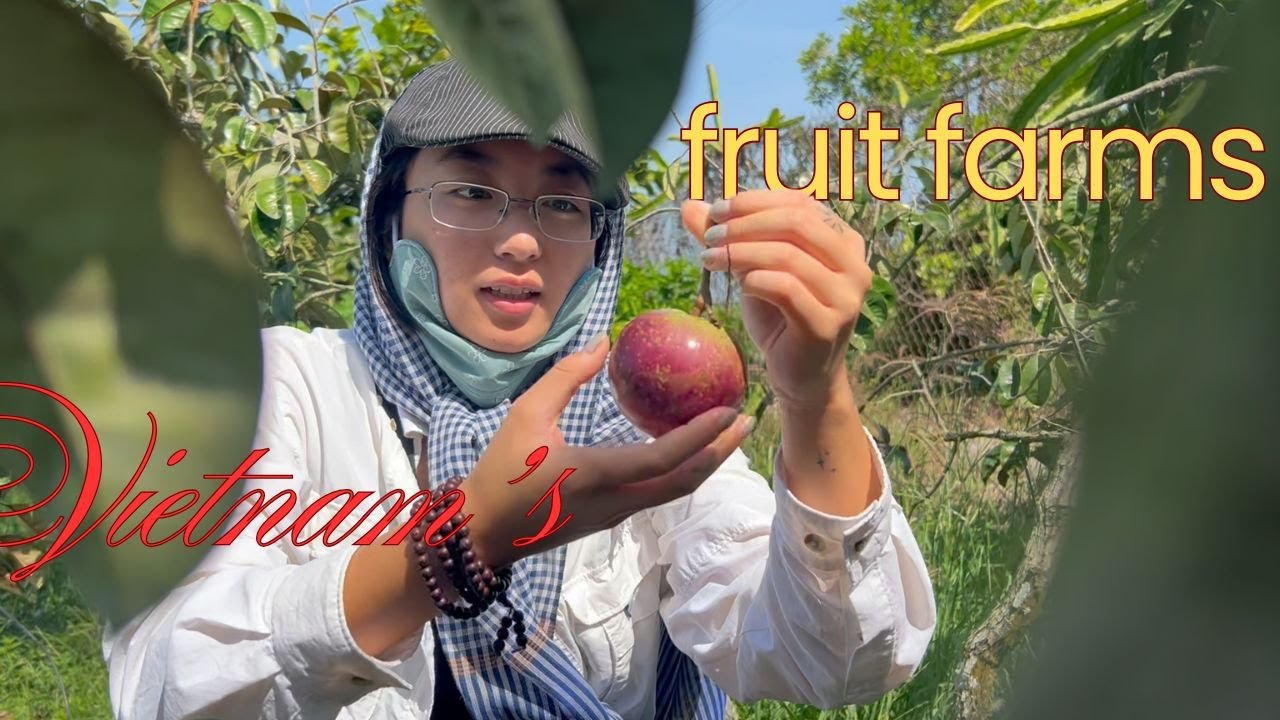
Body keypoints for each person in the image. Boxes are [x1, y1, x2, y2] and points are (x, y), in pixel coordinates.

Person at [102, 59, 936, 719]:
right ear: (388, 212)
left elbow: (837, 662)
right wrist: (462, 545)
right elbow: (164, 685)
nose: (524, 240)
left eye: (564, 205)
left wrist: (815, 394)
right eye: (471, 191)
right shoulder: (278, 386)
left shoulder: (642, 427)